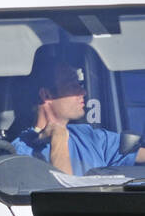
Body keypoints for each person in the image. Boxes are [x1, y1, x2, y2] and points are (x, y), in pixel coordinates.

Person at [11, 50, 145, 175]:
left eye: (79, 84)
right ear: (46, 95)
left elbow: (139, 153)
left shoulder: (87, 135)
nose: (83, 92)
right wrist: (58, 138)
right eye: (72, 85)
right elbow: (64, 196)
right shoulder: (23, 152)